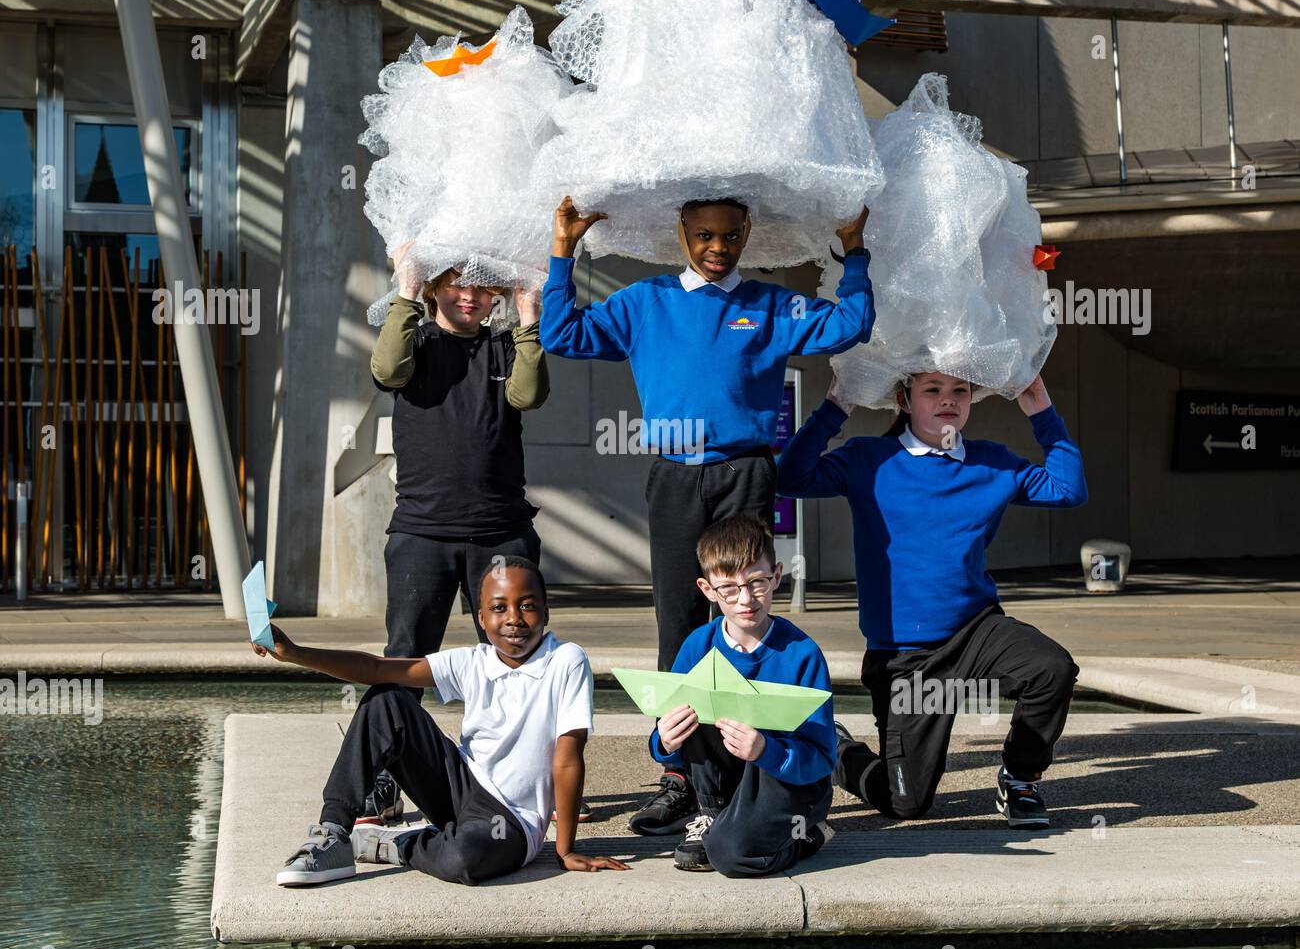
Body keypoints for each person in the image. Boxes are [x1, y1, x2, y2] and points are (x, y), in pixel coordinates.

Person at [543, 195, 873, 836]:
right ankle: (680, 774)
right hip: (673, 479)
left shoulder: (773, 305)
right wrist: (563, 251)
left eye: (728, 235)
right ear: (681, 233)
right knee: (679, 618)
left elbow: (851, 325)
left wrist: (853, 250)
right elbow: (561, 334)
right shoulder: (646, 301)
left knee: (745, 612)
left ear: (747, 232)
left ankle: (758, 757)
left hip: (746, 471)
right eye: (702, 235)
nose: (715, 246)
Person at [775, 370, 1087, 828]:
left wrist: (1041, 411)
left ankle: (1020, 780)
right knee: (907, 803)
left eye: (960, 390)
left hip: (975, 630)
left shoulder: (991, 463)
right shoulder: (869, 459)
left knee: (1052, 668)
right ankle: (838, 749)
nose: (948, 400)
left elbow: (1068, 489)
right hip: (904, 657)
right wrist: (836, 406)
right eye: (932, 390)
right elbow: (790, 477)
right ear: (904, 399)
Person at [258, 557, 628, 887]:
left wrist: (565, 850)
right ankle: (334, 834)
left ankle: (399, 845)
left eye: (528, 606)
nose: (514, 618)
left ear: (546, 612)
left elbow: (566, 759)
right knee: (386, 700)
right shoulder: (473, 660)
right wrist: (296, 654)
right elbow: (377, 668)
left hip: (512, 821)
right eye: (499, 608)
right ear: (481, 619)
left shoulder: (566, 660)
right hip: (459, 787)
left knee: (465, 859)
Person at [361, 245, 564, 825]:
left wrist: (529, 319)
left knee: (516, 659)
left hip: (501, 533)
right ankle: (383, 780)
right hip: (422, 533)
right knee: (403, 658)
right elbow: (386, 371)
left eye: (481, 288)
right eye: (454, 284)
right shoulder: (415, 342)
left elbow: (528, 395)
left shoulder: (505, 346)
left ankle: (513, 775)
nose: (468, 297)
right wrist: (407, 286)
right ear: (432, 288)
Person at [650, 516, 836, 875]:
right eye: (730, 589)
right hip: (725, 785)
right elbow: (665, 737)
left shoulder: (803, 654)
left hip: (788, 781)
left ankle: (808, 835)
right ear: (707, 590)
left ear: (777, 576)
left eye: (757, 582)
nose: (746, 599)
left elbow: (821, 761)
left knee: (732, 857)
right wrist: (664, 741)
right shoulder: (697, 646)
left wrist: (767, 750)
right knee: (695, 709)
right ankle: (710, 816)